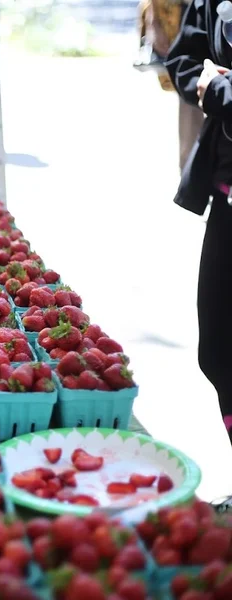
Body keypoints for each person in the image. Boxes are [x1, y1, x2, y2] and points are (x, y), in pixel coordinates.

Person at [167, 0, 232, 454]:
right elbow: (183, 58)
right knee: (218, 351)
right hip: (227, 195)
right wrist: (205, 83)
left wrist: (222, 91)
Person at [137, 0, 204, 169]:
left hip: (215, 11)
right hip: (181, 13)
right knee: (190, 94)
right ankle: (190, 175)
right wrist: (153, 21)